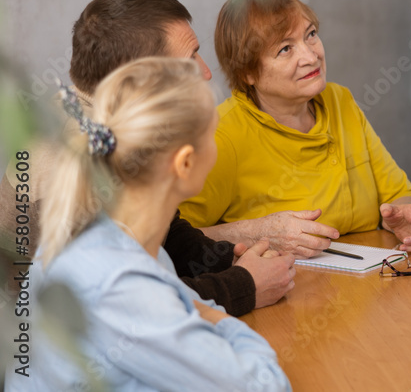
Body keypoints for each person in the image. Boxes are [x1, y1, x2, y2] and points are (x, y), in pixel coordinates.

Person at [3, 0, 293, 316]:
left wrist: (226, 257)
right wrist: (244, 286)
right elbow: (128, 306)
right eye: (189, 60)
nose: (206, 73)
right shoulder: (79, 167)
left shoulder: (101, 114)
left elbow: (164, 229)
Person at [9, 58, 290, 391]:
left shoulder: (114, 237)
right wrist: (222, 322)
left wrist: (203, 313)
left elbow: (190, 306)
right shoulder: (119, 280)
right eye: (212, 135)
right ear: (185, 163)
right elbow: (264, 385)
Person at [179, 0, 411, 253]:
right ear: (247, 72)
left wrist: (408, 218)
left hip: (373, 283)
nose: (311, 56)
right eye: (285, 49)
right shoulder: (222, 134)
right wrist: (255, 233)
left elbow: (398, 193)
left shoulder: (340, 100)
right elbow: (177, 241)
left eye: (311, 34)